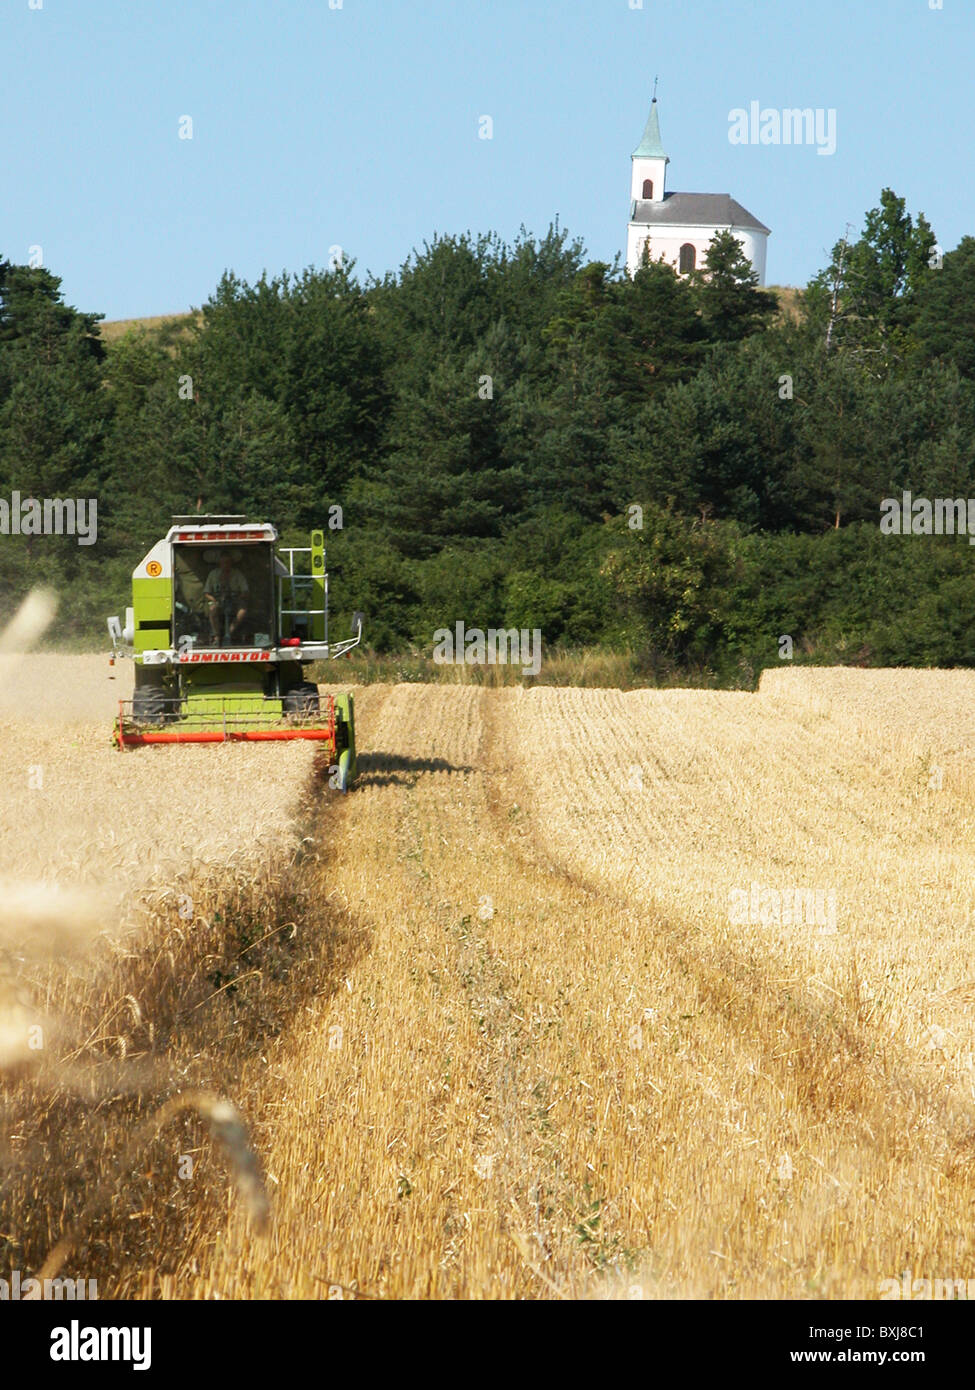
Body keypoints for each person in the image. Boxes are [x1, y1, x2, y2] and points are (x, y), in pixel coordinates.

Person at [204, 552, 249, 645]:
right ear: (219, 563)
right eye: (223, 562)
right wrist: (214, 600)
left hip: (234, 599)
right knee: (212, 610)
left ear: (231, 563)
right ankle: (217, 636)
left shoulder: (237, 574)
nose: (226, 564)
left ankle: (229, 632)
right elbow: (206, 593)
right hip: (217, 600)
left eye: (228, 562)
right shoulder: (213, 574)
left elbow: (245, 591)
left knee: (242, 610)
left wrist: (237, 597)